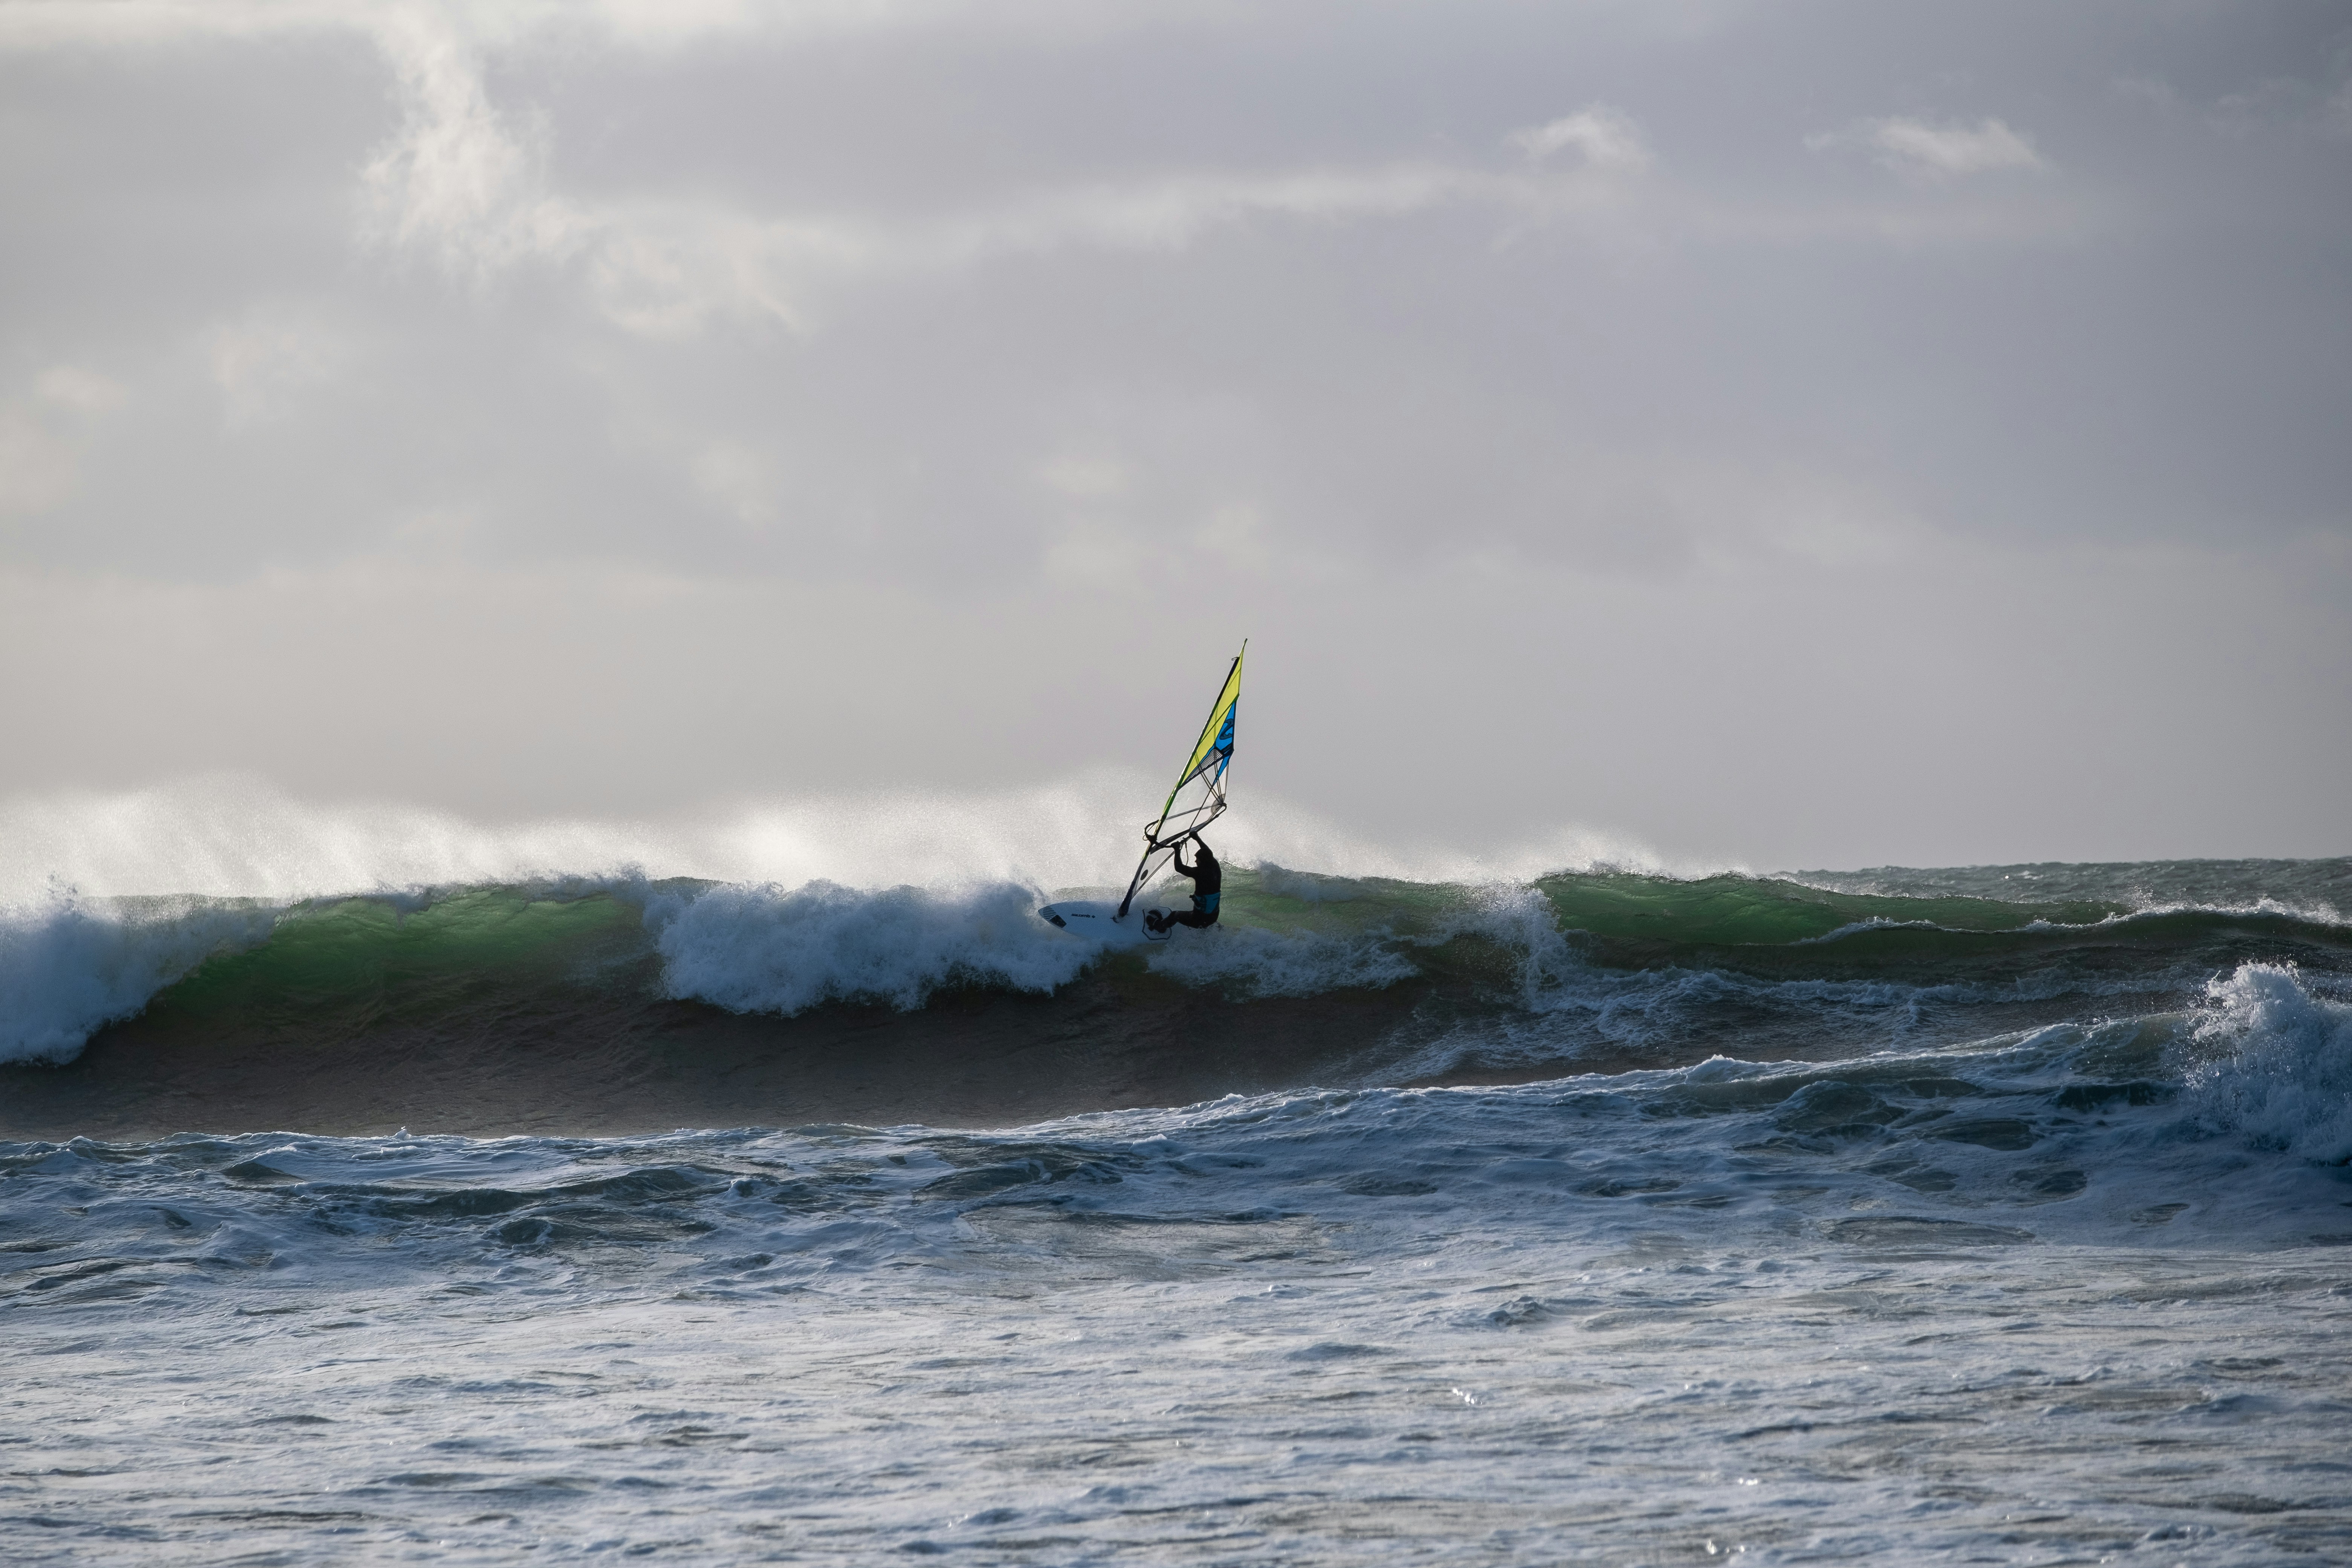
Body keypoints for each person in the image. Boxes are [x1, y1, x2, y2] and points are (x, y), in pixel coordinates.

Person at [1146, 835, 1222, 934]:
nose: (1196, 861)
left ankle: (1160, 927)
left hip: (1201, 920)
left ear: (1203, 861)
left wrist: (1177, 850)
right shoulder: (1215, 865)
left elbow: (1179, 868)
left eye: (1197, 859)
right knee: (1202, 909)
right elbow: (1207, 851)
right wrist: (1197, 838)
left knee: (1175, 915)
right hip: (1214, 916)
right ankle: (1207, 927)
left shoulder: (1200, 873)